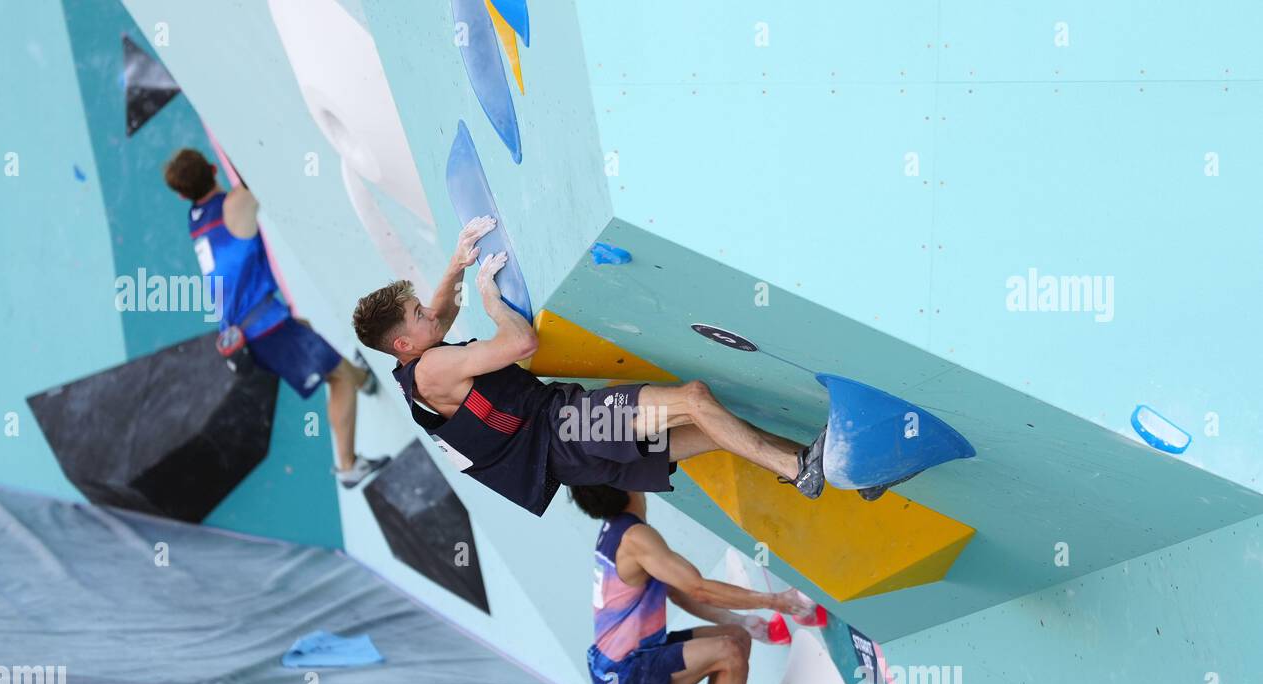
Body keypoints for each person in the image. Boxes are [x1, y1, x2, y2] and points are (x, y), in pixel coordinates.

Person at [353, 233, 908, 516]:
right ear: (405, 342)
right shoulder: (435, 366)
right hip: (567, 427)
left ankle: (841, 471)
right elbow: (522, 341)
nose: (430, 310)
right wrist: (490, 297)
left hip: (566, 457)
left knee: (715, 434)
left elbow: (440, 317)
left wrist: (455, 263)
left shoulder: (416, 370)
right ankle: (799, 468)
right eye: (418, 315)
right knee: (693, 398)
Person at [164, 148, 387, 488]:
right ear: (211, 168)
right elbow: (254, 171)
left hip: (246, 326)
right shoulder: (235, 205)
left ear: (182, 195)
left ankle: (364, 378)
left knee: (306, 331)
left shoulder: (195, 218)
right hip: (263, 329)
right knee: (336, 380)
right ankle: (348, 466)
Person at [571, 483, 822, 684]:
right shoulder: (636, 537)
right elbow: (698, 588)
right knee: (728, 653)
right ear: (624, 483)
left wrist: (740, 621)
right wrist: (776, 601)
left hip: (623, 663)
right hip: (626, 675)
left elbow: (680, 594)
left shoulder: (618, 530)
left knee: (736, 638)